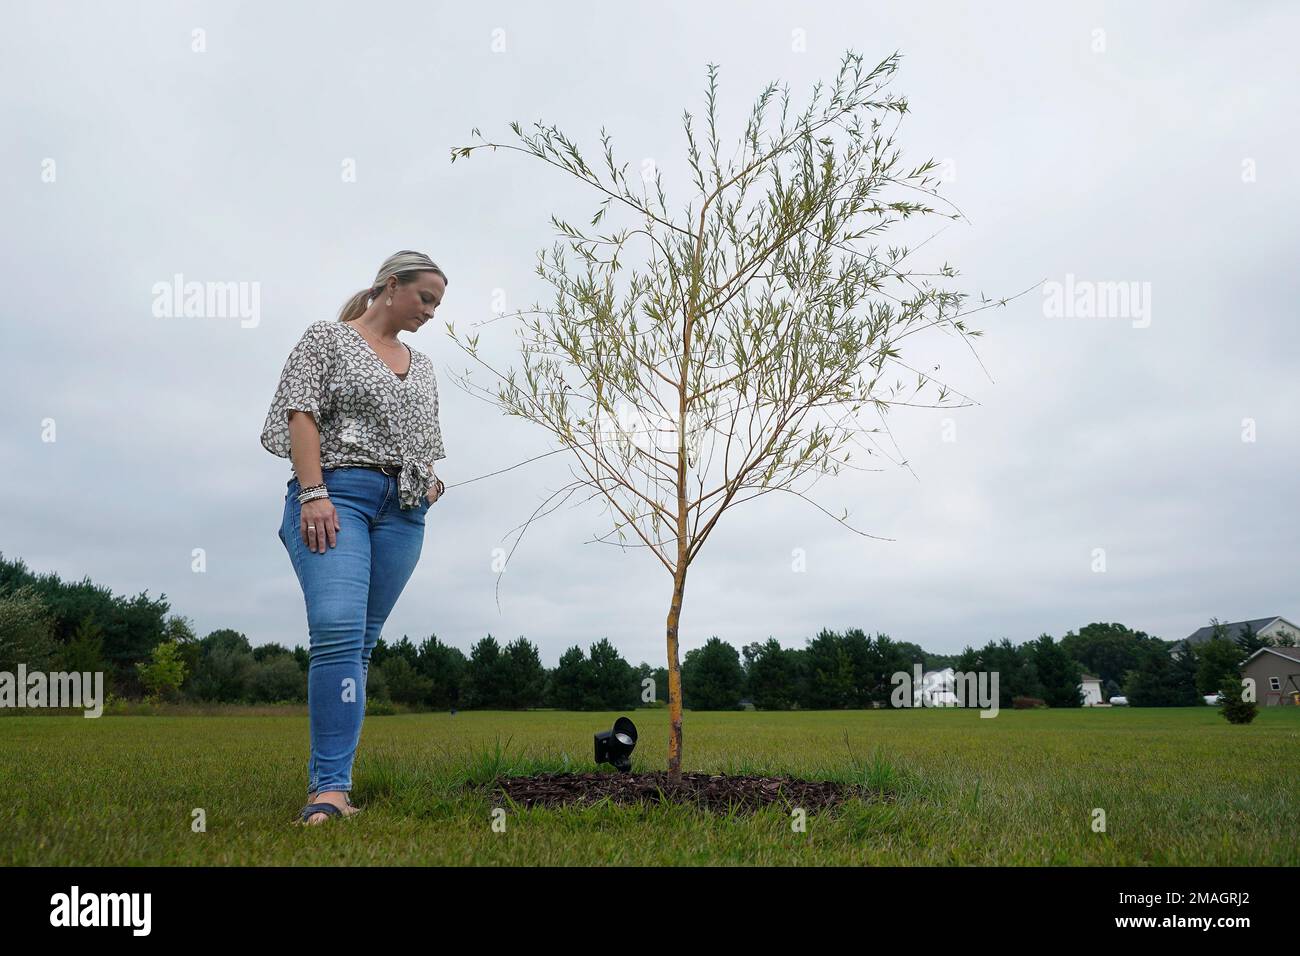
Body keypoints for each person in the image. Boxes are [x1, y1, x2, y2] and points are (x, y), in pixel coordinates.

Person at [260, 250, 449, 825]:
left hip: (404, 511)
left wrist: (430, 481)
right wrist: (313, 492)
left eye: (438, 305)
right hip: (336, 495)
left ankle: (337, 779)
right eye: (425, 298)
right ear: (391, 286)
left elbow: (423, 442)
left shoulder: (424, 366)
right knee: (338, 630)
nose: (431, 312)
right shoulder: (327, 339)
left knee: (361, 643)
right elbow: (301, 413)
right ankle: (330, 792)